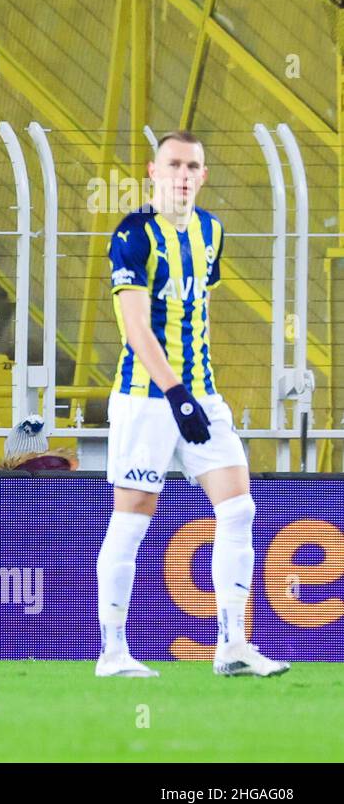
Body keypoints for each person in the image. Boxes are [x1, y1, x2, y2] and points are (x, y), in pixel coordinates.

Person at [99, 130, 288, 678]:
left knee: (239, 508)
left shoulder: (212, 232)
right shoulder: (132, 235)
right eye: (173, 164)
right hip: (146, 399)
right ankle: (113, 652)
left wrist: (194, 393)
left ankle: (231, 645)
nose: (183, 174)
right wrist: (175, 394)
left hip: (202, 395)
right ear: (152, 172)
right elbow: (136, 326)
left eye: (193, 166)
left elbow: (195, 314)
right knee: (132, 518)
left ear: (203, 176)